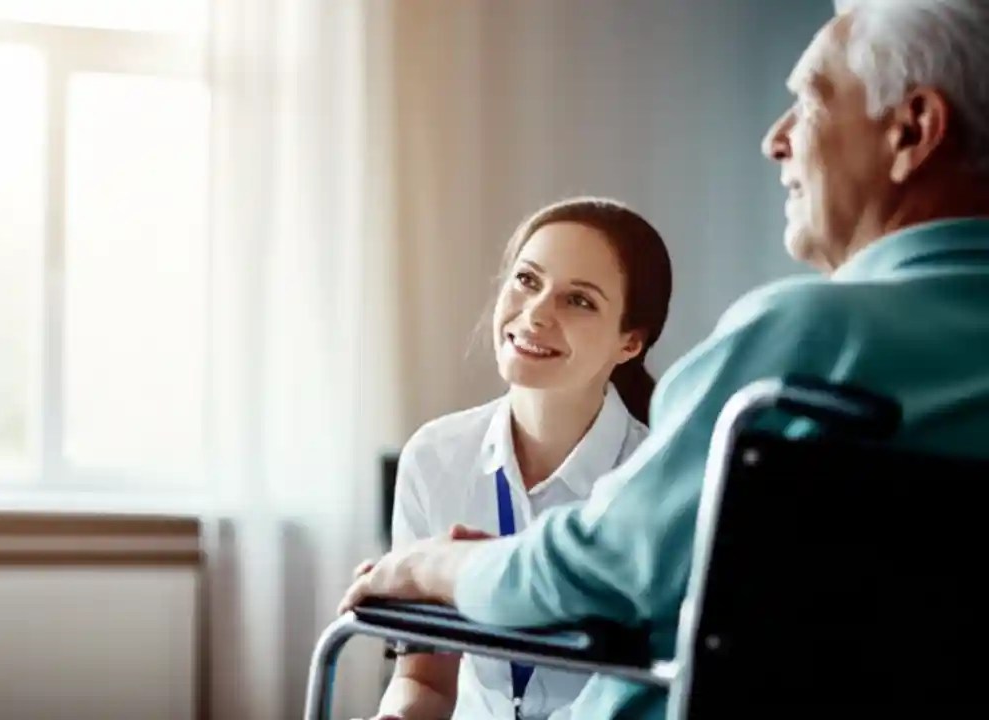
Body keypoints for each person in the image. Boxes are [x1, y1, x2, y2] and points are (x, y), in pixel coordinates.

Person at [339, 1, 989, 719]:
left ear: (913, 130)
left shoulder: (808, 343)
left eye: (807, 102)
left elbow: (598, 572)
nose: (775, 141)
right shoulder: (441, 453)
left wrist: (430, 564)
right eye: (525, 280)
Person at [360, 197, 673, 720]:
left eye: (579, 300)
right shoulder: (435, 458)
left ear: (630, 342)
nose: (535, 313)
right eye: (527, 281)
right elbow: (425, 680)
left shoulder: (656, 481)